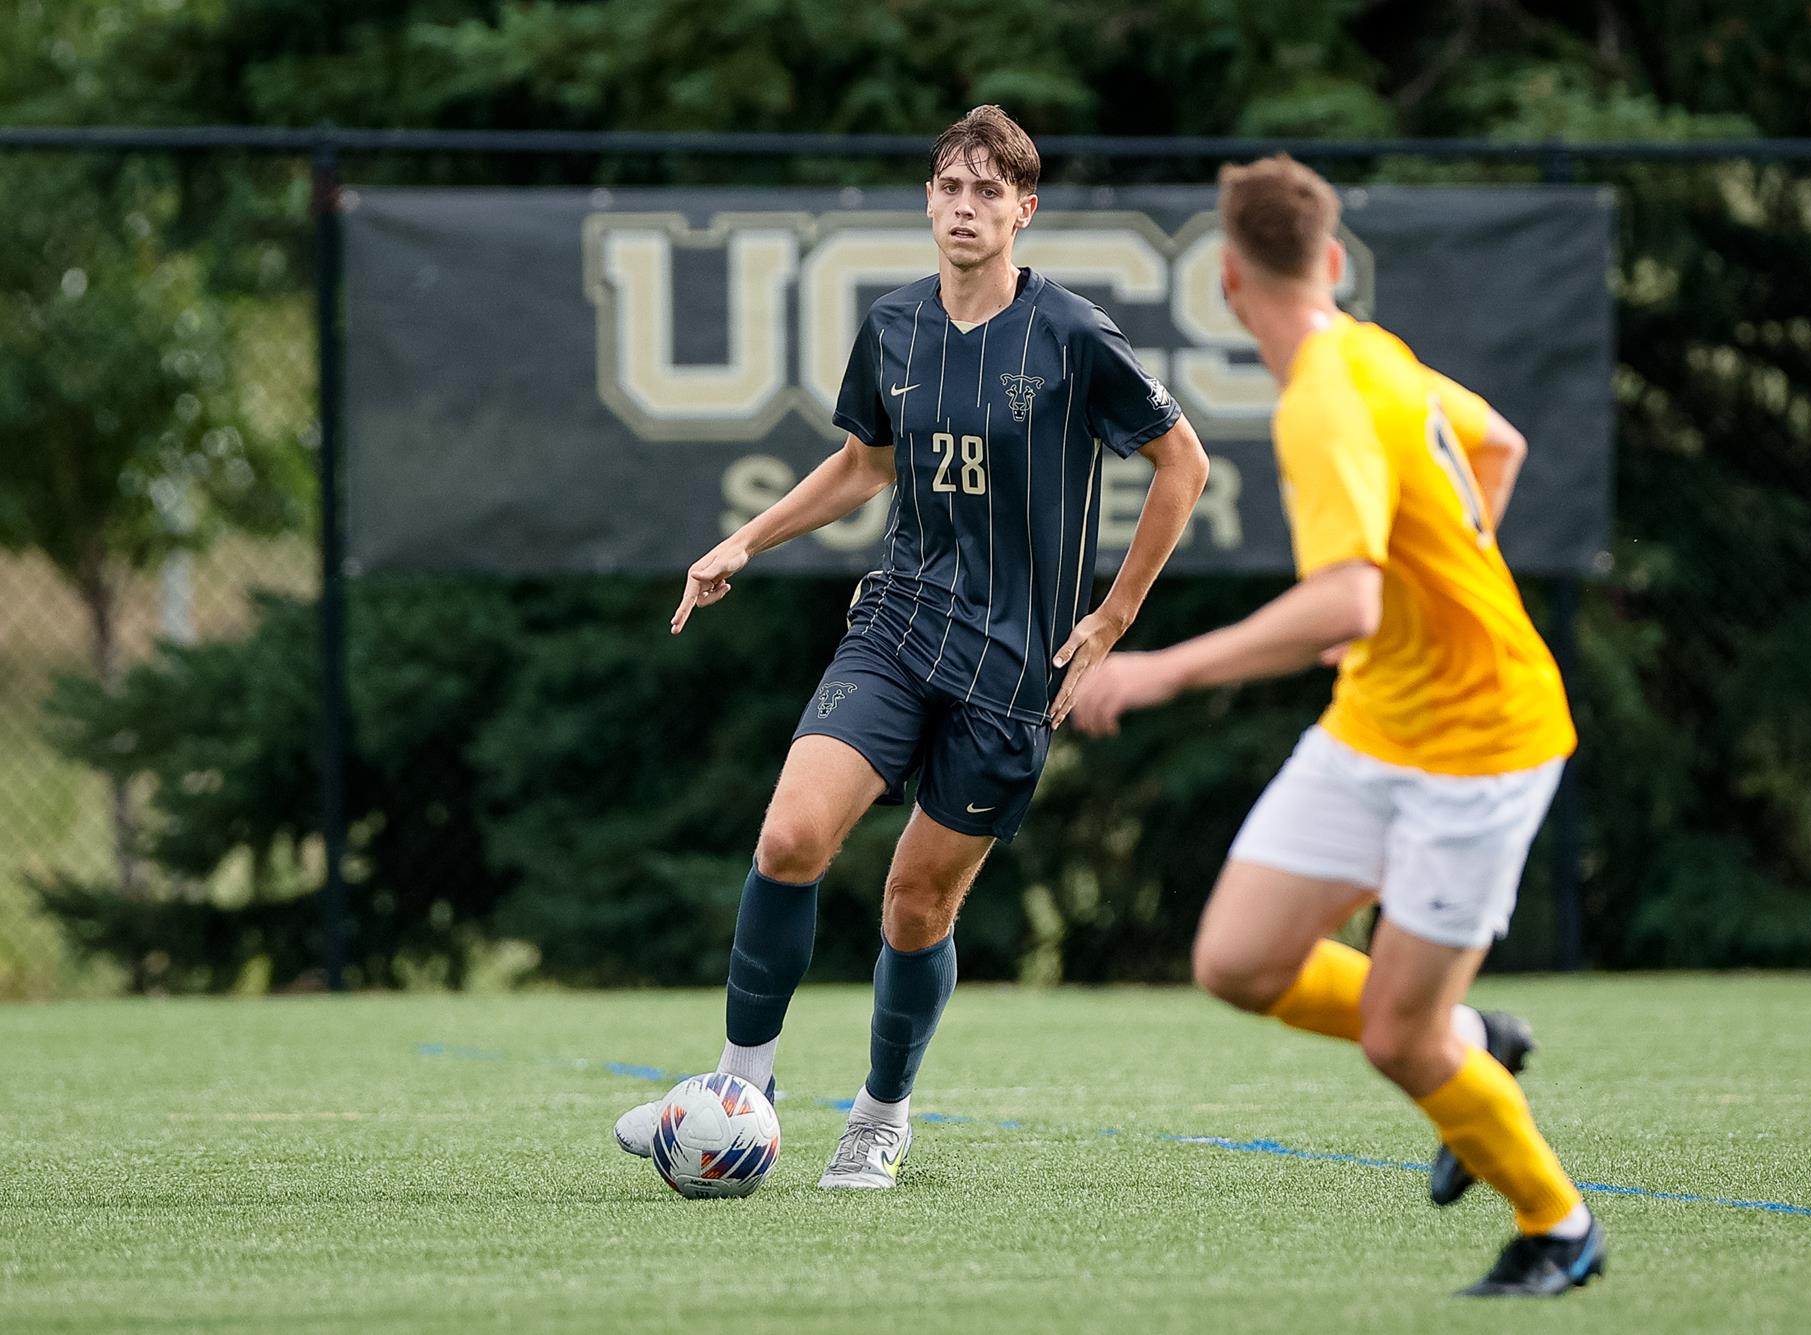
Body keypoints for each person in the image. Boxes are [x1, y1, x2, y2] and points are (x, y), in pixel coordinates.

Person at [614, 105, 1209, 1190]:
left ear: (1024, 211)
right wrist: (742, 540)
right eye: (949, 187)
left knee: (914, 906)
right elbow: (862, 467)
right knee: (791, 837)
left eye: (989, 192)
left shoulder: (1070, 334)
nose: (965, 208)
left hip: (1012, 668)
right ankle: (739, 1088)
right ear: (927, 202)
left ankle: (880, 1116)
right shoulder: (892, 325)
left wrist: (1113, 615)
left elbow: (1184, 467)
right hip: (896, 628)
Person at [1068, 154, 1604, 1297]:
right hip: (1374, 723)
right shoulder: (1375, 351)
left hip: (1481, 744)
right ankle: (1472, 1043)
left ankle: (1557, 1226)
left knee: (1397, 1042)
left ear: (1225, 282)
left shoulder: (1323, 394)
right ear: (1329, 261)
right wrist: (1425, 601)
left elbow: (1347, 599)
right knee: (1237, 960)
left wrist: (1158, 670)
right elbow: (1498, 445)